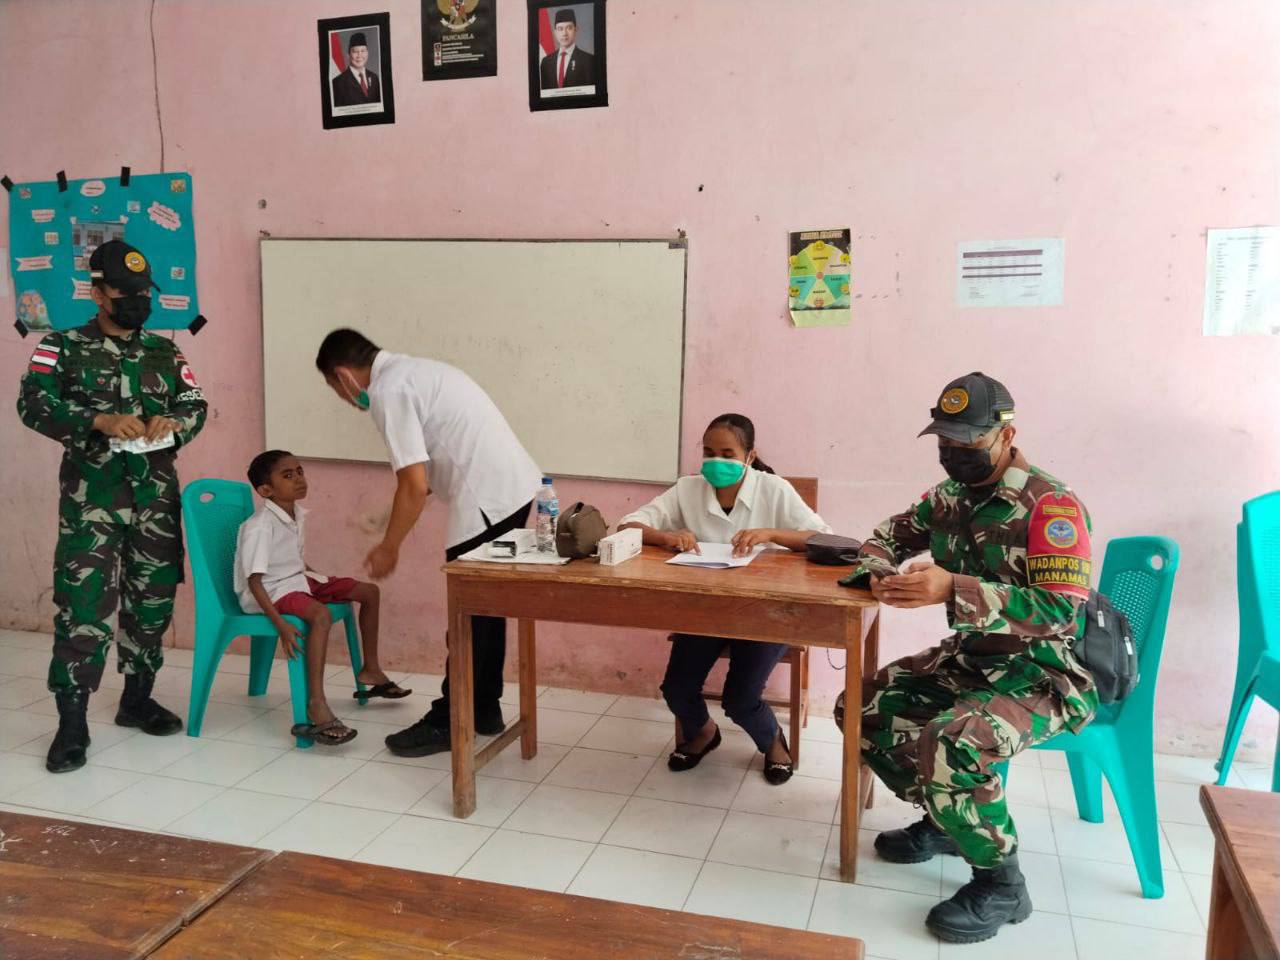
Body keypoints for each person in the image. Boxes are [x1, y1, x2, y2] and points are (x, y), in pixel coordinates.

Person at [840, 372, 1097, 944]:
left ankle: (1002, 884)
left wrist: (951, 588)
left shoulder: (1050, 506)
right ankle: (949, 818)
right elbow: (888, 534)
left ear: (1007, 435)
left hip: (1044, 672)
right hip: (973, 659)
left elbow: (1058, 610)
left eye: (967, 444)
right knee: (864, 709)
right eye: (945, 444)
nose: (954, 456)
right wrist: (881, 569)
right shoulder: (949, 498)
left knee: (955, 742)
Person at [17, 239, 208, 774]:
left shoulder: (165, 352)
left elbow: (194, 403)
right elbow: (31, 403)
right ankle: (71, 723)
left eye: (145, 293)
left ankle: (136, 699)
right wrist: (95, 422)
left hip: (155, 501)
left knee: (151, 604)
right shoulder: (62, 346)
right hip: (92, 505)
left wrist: (175, 424)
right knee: (82, 611)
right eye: (127, 293)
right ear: (98, 292)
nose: (138, 302)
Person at [315, 328, 542, 756]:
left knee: (466, 616)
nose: (344, 399)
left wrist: (389, 545)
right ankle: (484, 708)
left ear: (344, 376)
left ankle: (448, 719)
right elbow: (440, 461)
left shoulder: (388, 390)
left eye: (335, 389)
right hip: (514, 490)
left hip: (486, 502)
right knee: (486, 612)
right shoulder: (419, 371)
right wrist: (390, 515)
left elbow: (414, 485)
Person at [619, 414, 830, 784]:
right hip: (706, 609)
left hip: (765, 612)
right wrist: (668, 537)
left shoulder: (774, 489)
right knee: (676, 689)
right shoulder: (689, 489)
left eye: (728, 453)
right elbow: (628, 525)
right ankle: (703, 732)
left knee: (740, 699)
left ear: (750, 456)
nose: (717, 461)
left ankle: (773, 743)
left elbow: (826, 538)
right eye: (709, 452)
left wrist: (773, 534)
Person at [235, 450, 409, 746]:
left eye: (300, 471)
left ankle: (371, 669)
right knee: (321, 615)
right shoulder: (260, 526)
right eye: (288, 476)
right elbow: (254, 581)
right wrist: (279, 625)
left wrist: (321, 581)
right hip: (272, 590)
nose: (300, 480)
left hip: (298, 578)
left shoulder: (294, 513)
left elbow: (293, 561)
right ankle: (316, 703)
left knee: (369, 592)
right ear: (266, 490)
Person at [539, 8, 594, 89]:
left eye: (569, 28)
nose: (564, 33)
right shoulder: (546, 62)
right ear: (555, 32)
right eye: (560, 29)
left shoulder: (589, 60)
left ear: (576, 30)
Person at [332, 31, 382, 107]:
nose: (359, 55)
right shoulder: (338, 82)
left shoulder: (374, 77)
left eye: (363, 51)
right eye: (355, 51)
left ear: (367, 53)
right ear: (348, 55)